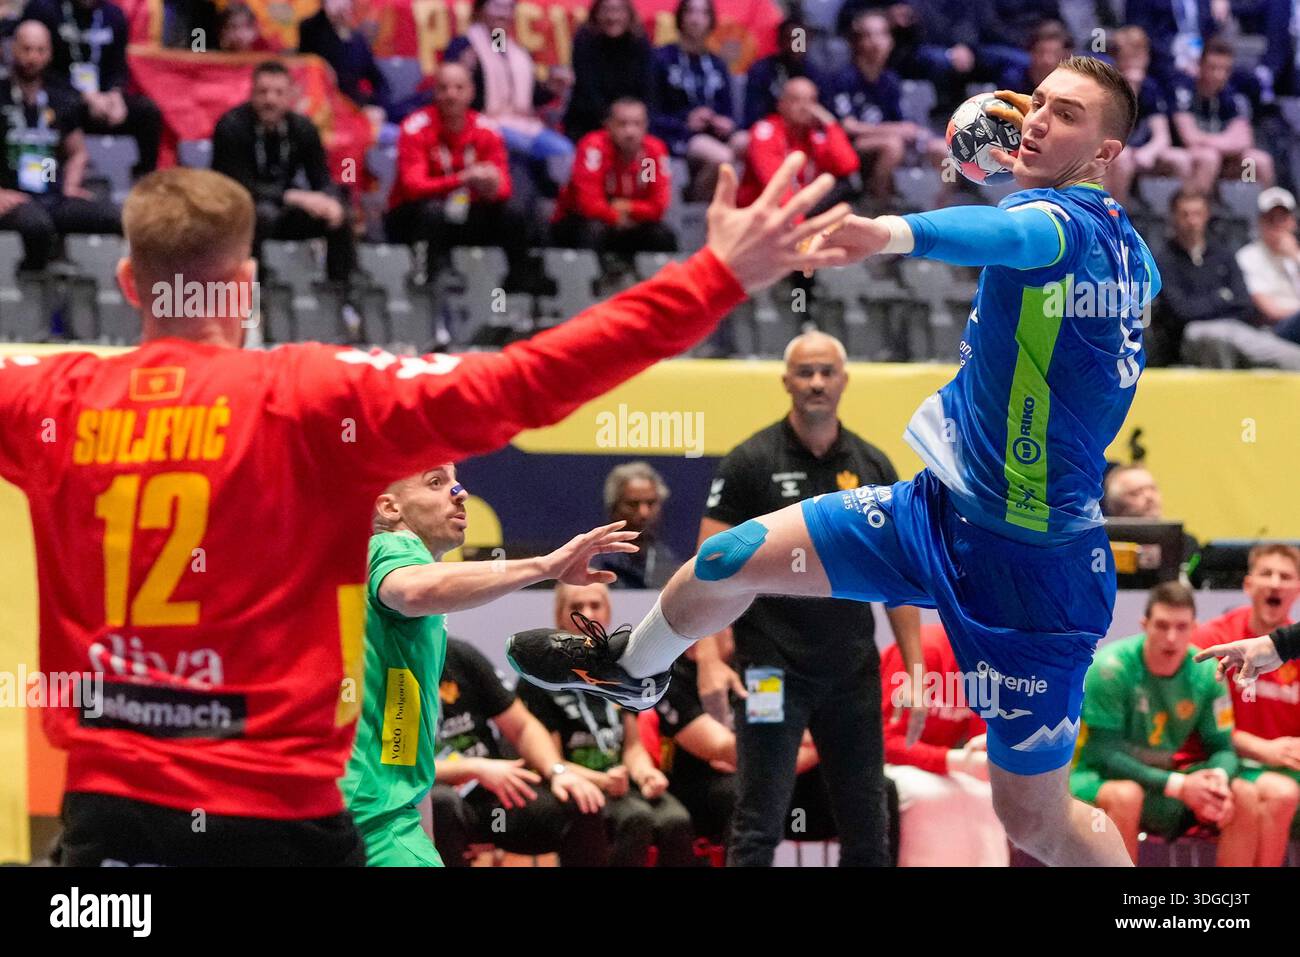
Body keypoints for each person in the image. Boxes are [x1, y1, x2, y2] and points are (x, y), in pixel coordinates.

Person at [0, 142, 854, 864]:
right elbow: (529, 380)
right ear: (249, 284)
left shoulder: (52, 400)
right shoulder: (309, 395)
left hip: (107, 823)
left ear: (126, 280)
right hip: (282, 821)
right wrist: (715, 277)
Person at [509, 55, 1167, 868]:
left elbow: (1017, 232)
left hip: (1032, 574)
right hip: (937, 513)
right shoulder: (1116, 246)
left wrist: (888, 232)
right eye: (1036, 104)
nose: (1036, 120)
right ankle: (633, 668)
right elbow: (1021, 233)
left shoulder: (1071, 226)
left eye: (1067, 116)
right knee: (727, 556)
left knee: (1035, 820)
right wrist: (991, 165)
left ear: (1107, 153)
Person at [684, 330, 921, 866]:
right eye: (805, 372)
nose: (816, 382)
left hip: (851, 676)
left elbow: (900, 575)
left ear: (844, 380)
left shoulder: (873, 466)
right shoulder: (749, 463)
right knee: (759, 820)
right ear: (786, 381)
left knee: (867, 825)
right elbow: (708, 569)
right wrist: (708, 661)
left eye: (826, 372)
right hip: (771, 670)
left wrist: (914, 667)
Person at [341, 462, 639, 865]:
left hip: (384, 814)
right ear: (391, 508)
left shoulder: (409, 612)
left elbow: (405, 739)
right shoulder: (394, 548)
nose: (459, 491)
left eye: (455, 479)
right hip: (368, 816)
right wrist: (546, 566)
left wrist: (422, 837)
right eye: (435, 482)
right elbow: (411, 591)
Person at [1070, 583, 1264, 865]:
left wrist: (1217, 781)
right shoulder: (1110, 668)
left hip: (1164, 783)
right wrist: (1179, 785)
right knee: (1126, 796)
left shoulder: (1207, 671)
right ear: (1144, 625)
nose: (1171, 637)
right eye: (1161, 626)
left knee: (1242, 795)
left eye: (1181, 627)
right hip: (1096, 779)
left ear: (1194, 627)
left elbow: (1222, 746)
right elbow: (1104, 754)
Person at [517, 582, 697, 865]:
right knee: (635, 819)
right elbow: (546, 761)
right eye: (577, 607)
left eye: (595, 605)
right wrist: (602, 780)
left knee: (676, 821)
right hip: (575, 784)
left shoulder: (622, 668)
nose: (588, 613)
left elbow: (633, 747)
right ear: (560, 616)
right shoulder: (544, 677)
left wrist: (644, 774)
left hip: (620, 785)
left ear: (608, 611)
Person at [429, 636, 610, 865]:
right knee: (442, 804)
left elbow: (522, 727)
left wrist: (558, 771)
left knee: (581, 802)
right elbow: (389, 766)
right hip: (436, 800)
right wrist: (473, 768)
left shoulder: (457, 654)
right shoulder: (380, 663)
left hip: (494, 808)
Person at [385, 62, 554, 294]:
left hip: (468, 210)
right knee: (432, 211)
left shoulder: (487, 129)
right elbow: (413, 187)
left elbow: (504, 188)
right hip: (416, 216)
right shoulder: (415, 127)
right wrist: (464, 178)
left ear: (471, 92)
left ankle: (519, 281)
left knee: (514, 211)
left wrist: (490, 185)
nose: (451, 95)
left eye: (458, 88)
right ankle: (432, 277)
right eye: (443, 88)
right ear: (434, 92)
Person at [211, 60, 358, 289]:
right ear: (251, 94)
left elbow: (321, 178)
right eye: (263, 92)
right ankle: (251, 293)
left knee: (339, 216)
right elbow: (238, 186)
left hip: (283, 211)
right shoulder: (231, 126)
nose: (270, 100)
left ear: (291, 96)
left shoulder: (303, 128)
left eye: (278, 93)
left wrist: (332, 201)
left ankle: (340, 296)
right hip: (238, 213)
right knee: (260, 214)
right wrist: (294, 196)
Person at [1191, 545, 1300, 849]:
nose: (1275, 583)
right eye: (1266, 574)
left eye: (1285, 576)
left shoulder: (1294, 644)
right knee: (1279, 794)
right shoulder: (1211, 640)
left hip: (1287, 765)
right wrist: (1261, 748)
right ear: (1248, 585)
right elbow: (1189, 720)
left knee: (1282, 793)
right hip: (1221, 758)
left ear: (1298, 589)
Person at [881, 623, 1008, 866]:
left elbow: (981, 740)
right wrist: (952, 760)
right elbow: (886, 741)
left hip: (942, 766)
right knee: (926, 795)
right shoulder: (927, 651)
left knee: (989, 797)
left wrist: (990, 751)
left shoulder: (989, 665)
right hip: (888, 764)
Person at [0, 19, 120, 272]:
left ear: (50, 52)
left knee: (118, 217)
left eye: (40, 50)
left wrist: (71, 185)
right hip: (14, 198)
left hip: (54, 196)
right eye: (27, 49)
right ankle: (32, 282)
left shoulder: (61, 96)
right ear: (13, 49)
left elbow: (77, 152)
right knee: (37, 226)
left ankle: (127, 287)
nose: (33, 57)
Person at [1148, 189, 1300, 369]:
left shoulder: (1222, 254)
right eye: (1185, 215)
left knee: (1240, 338)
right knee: (1217, 335)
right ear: (1173, 217)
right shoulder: (1164, 259)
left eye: (1197, 214)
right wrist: (1221, 297)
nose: (1191, 221)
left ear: (1207, 215)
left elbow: (1244, 304)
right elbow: (1181, 311)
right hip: (1189, 336)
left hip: (1236, 329)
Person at [445, 0, 574, 195]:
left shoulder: (505, 44)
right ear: (481, 9)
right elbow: (452, 91)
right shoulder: (466, 45)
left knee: (563, 150)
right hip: (482, 122)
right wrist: (465, 71)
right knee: (526, 148)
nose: (504, 14)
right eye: (497, 6)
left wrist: (551, 87)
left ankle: (558, 208)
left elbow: (520, 94)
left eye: (509, 8)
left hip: (519, 122)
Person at [21, 0, 161, 176]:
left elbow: (118, 66)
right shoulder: (45, 10)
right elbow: (43, 69)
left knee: (148, 112)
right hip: (61, 94)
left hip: (103, 99)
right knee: (63, 106)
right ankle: (58, 181)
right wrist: (85, 96)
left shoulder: (114, 15)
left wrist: (115, 94)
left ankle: (144, 180)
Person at [825, 10, 942, 204]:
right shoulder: (843, 78)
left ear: (891, 41)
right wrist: (896, 130)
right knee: (892, 144)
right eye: (869, 35)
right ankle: (878, 203)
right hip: (850, 145)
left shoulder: (890, 80)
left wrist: (915, 132)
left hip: (890, 137)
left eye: (881, 34)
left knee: (941, 149)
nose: (876, 42)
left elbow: (901, 120)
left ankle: (939, 207)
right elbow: (848, 126)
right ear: (857, 42)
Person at [551, 98, 677, 274]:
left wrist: (629, 207)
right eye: (622, 124)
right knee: (594, 229)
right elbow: (589, 203)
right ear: (608, 125)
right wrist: (615, 216)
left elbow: (657, 204)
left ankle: (662, 286)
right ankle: (594, 286)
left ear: (646, 126)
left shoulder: (650, 155)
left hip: (631, 220)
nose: (630, 131)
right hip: (582, 220)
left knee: (662, 235)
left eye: (636, 124)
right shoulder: (594, 147)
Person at [649, 0, 737, 201]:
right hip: (677, 134)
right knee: (723, 158)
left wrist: (725, 122)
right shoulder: (661, 58)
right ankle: (694, 202)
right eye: (691, 12)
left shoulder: (717, 63)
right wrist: (685, 120)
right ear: (681, 18)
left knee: (747, 141)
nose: (697, 19)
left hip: (714, 134)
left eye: (703, 13)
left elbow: (731, 113)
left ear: (711, 20)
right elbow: (650, 113)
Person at [1169, 38, 1274, 195]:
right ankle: (1199, 212)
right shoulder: (1184, 92)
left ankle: (1259, 212)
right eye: (1213, 68)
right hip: (1190, 156)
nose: (1219, 75)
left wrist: (1210, 142)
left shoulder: (1233, 97)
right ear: (1200, 66)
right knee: (1209, 158)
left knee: (1256, 162)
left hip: (1226, 158)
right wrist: (1227, 142)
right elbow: (1190, 138)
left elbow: (1245, 141)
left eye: (1225, 69)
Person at [738, 77, 859, 210]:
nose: (805, 107)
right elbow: (776, 189)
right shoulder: (766, 133)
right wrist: (797, 223)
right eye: (796, 100)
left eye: (811, 101)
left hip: (798, 210)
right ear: (781, 104)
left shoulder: (814, 136)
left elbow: (848, 165)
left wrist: (830, 122)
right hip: (763, 215)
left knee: (847, 184)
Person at [564, 0, 653, 141]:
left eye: (619, 10)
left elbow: (647, 89)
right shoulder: (585, 40)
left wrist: (631, 121)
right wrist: (614, 122)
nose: (612, 17)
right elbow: (587, 89)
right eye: (606, 10)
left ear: (629, 14)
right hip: (590, 122)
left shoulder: (639, 41)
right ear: (596, 14)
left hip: (632, 123)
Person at [298, 0, 390, 127]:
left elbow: (378, 80)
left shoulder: (358, 39)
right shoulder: (311, 29)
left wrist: (378, 106)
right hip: (325, 106)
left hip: (356, 105)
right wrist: (327, 15)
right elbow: (311, 61)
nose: (342, 4)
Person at [591, 462, 681, 589]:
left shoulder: (673, 569)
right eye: (632, 504)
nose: (644, 513)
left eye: (651, 503)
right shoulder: (592, 565)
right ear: (613, 509)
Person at [1234, 187, 1300, 347]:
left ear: (1293, 222)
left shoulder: (1297, 254)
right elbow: (1269, 310)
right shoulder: (1247, 257)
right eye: (1271, 219)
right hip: (1274, 329)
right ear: (1260, 222)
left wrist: (1295, 257)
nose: (1277, 225)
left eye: (1283, 218)